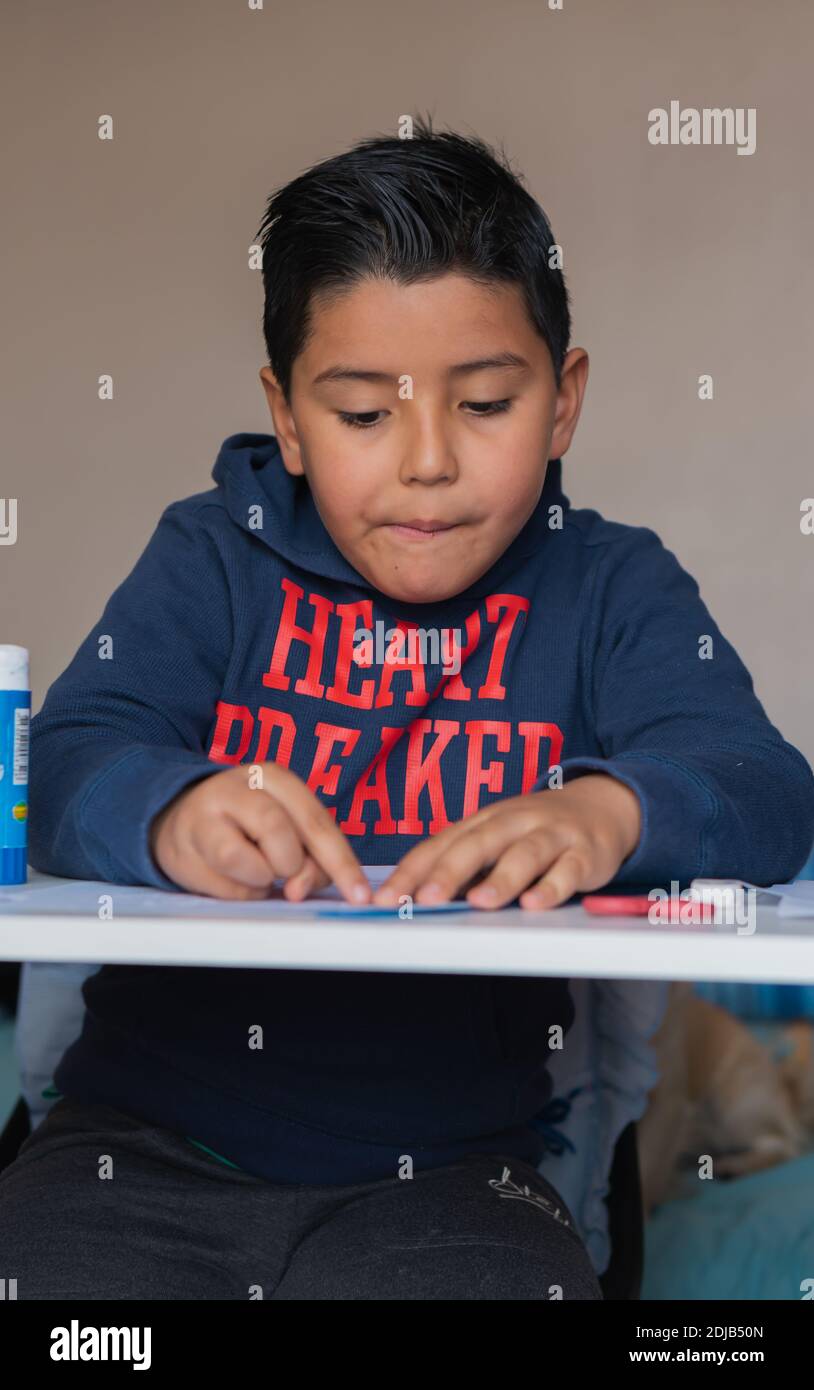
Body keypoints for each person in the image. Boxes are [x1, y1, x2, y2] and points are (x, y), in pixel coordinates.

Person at [1, 117, 812, 1301]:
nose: (425, 461)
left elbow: (765, 787)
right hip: (134, 1146)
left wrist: (610, 811)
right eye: (363, 415)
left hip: (453, 1179)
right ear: (286, 416)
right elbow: (71, 755)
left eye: (483, 403)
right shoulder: (211, 559)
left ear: (563, 397)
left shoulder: (607, 587)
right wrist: (173, 811)